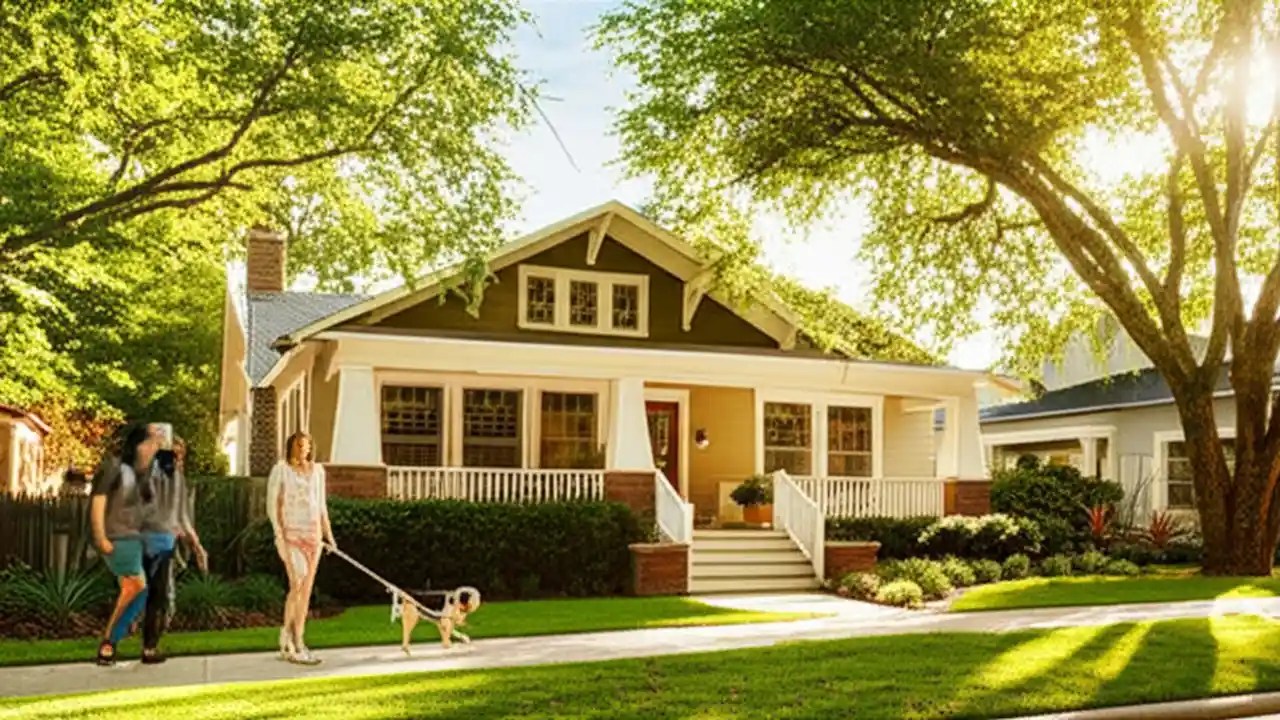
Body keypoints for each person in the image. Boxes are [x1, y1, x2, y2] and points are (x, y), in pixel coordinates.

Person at [90, 422, 159, 666]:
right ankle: (109, 641)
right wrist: (100, 537)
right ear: (136, 445)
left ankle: (114, 638)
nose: (154, 448)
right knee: (137, 588)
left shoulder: (142, 475)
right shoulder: (114, 468)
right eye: (149, 443)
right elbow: (98, 502)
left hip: (134, 540)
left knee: (133, 590)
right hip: (117, 539)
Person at [137, 431, 207, 664]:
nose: (178, 460)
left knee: (154, 596)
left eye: (180, 456)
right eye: (174, 455)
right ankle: (149, 648)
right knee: (158, 597)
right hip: (157, 542)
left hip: (158, 541)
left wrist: (195, 545)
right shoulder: (163, 477)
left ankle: (146, 641)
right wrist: (197, 546)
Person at [266, 431, 336, 665]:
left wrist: (330, 537)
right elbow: (272, 505)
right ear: (291, 447)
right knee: (297, 583)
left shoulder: (317, 471)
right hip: (291, 536)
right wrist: (278, 535)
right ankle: (291, 640)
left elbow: (321, 506)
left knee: (304, 591)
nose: (302, 450)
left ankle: (295, 639)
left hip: (313, 536)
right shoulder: (281, 470)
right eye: (298, 446)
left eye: (306, 446)